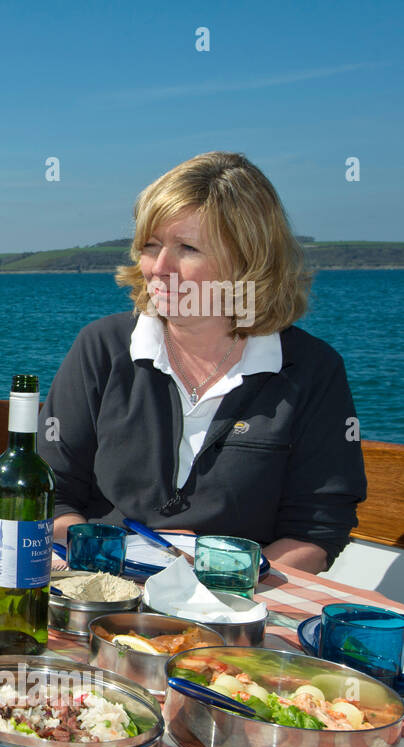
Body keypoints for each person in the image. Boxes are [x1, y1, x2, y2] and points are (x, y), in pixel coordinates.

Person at [40, 152, 366, 573]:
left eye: (187, 248)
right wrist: (107, 571)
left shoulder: (311, 370)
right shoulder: (101, 348)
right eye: (151, 246)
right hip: (102, 585)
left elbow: (316, 532)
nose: (159, 268)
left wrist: (219, 584)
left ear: (247, 261)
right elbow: (52, 493)